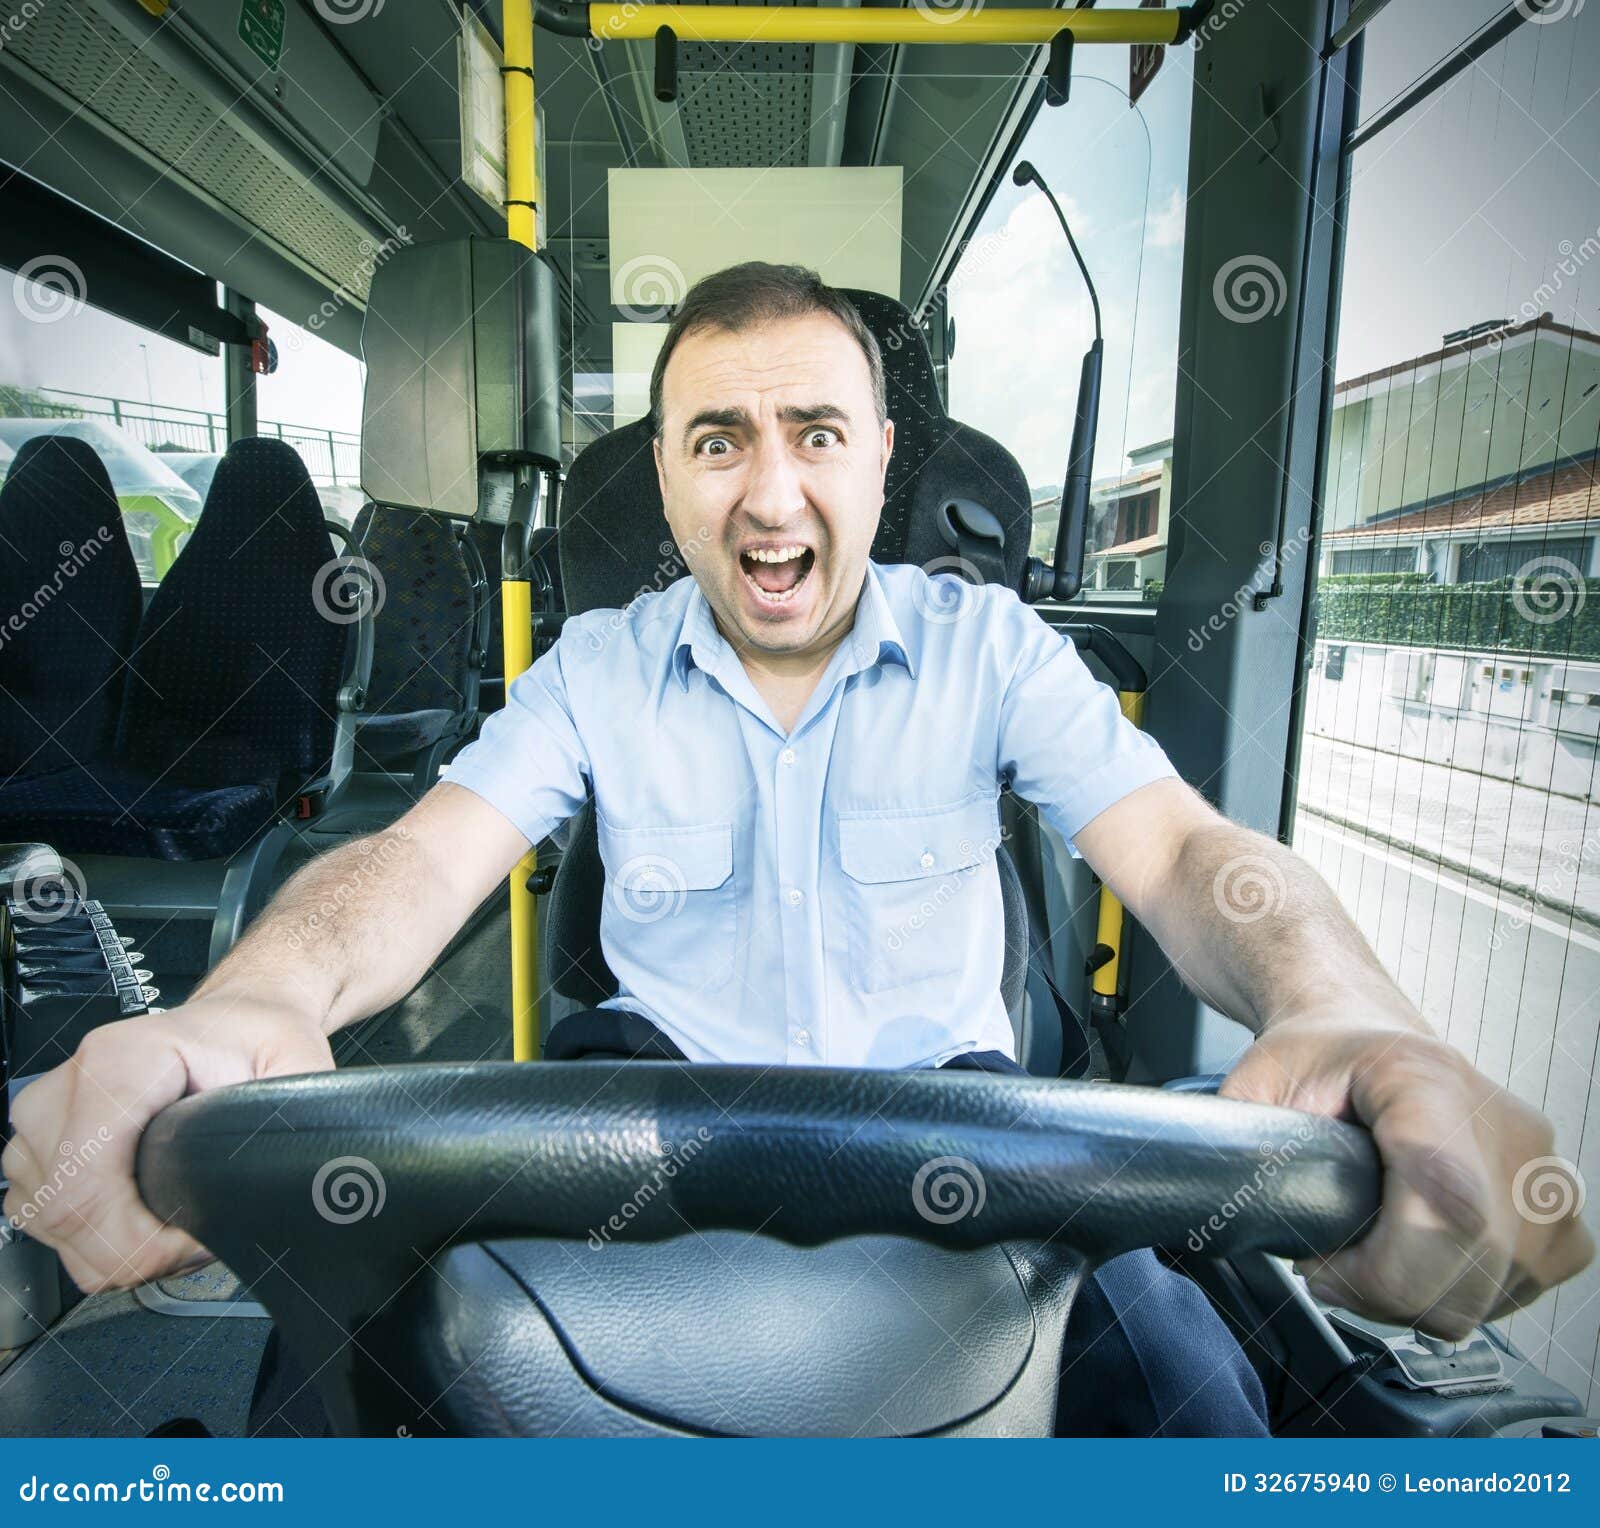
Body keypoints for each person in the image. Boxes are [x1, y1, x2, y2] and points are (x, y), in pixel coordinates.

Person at [4, 263, 1591, 1437]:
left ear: (883, 461)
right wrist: (251, 1006)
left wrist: (1348, 1009)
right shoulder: (601, 667)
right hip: (634, 1135)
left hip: (982, 1136)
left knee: (1205, 1407)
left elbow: (1184, 856)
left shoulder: (991, 651)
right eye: (718, 441)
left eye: (817, 433)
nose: (772, 492)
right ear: (672, 483)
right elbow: (416, 862)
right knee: (329, 1379)